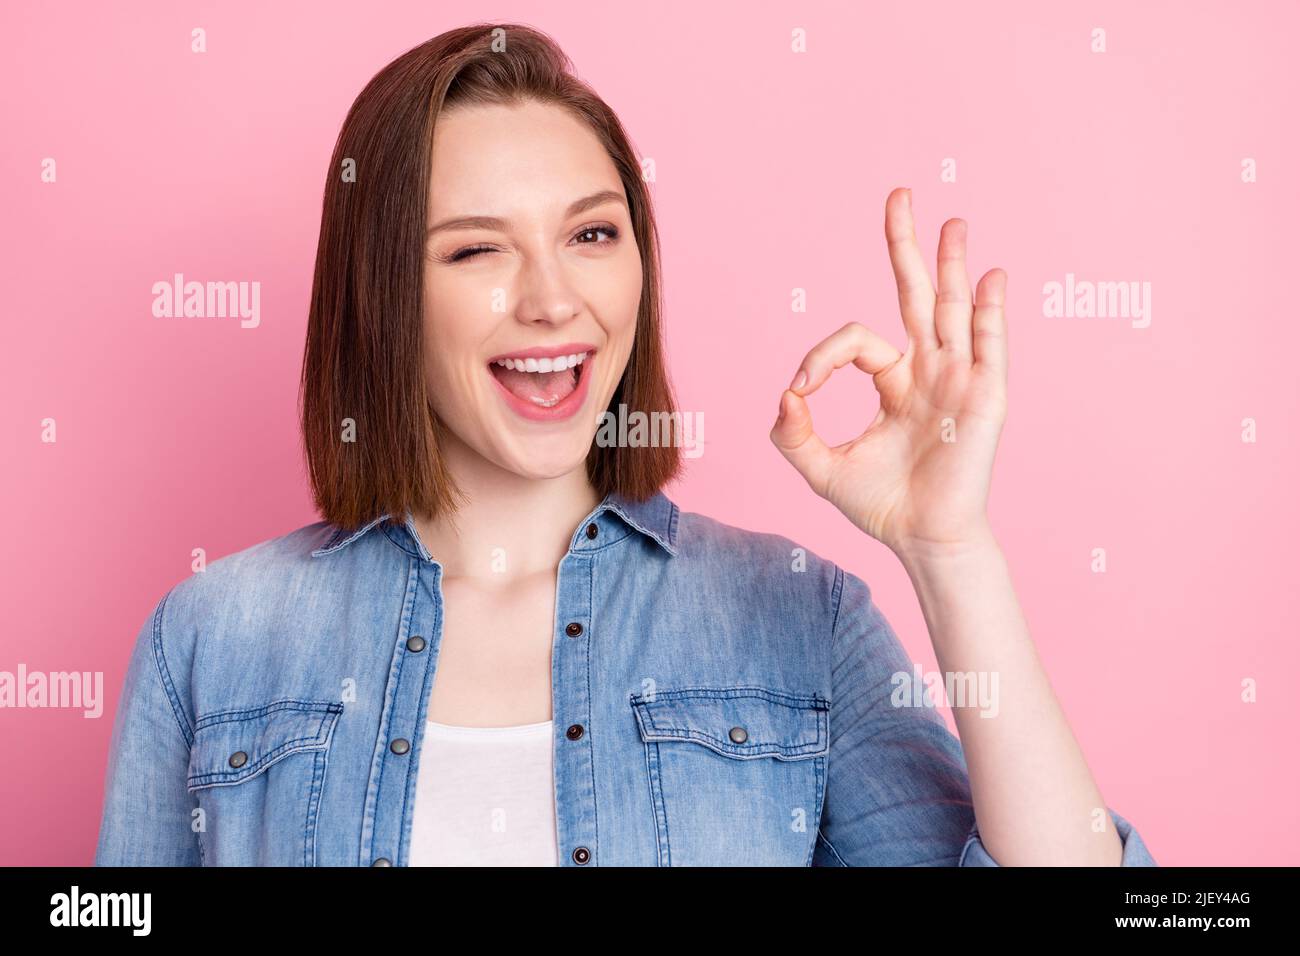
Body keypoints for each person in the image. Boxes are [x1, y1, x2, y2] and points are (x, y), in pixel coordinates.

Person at [94, 22, 1156, 867]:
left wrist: (950, 550)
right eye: (474, 250)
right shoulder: (211, 638)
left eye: (592, 233)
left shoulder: (800, 616)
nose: (555, 299)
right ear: (381, 299)